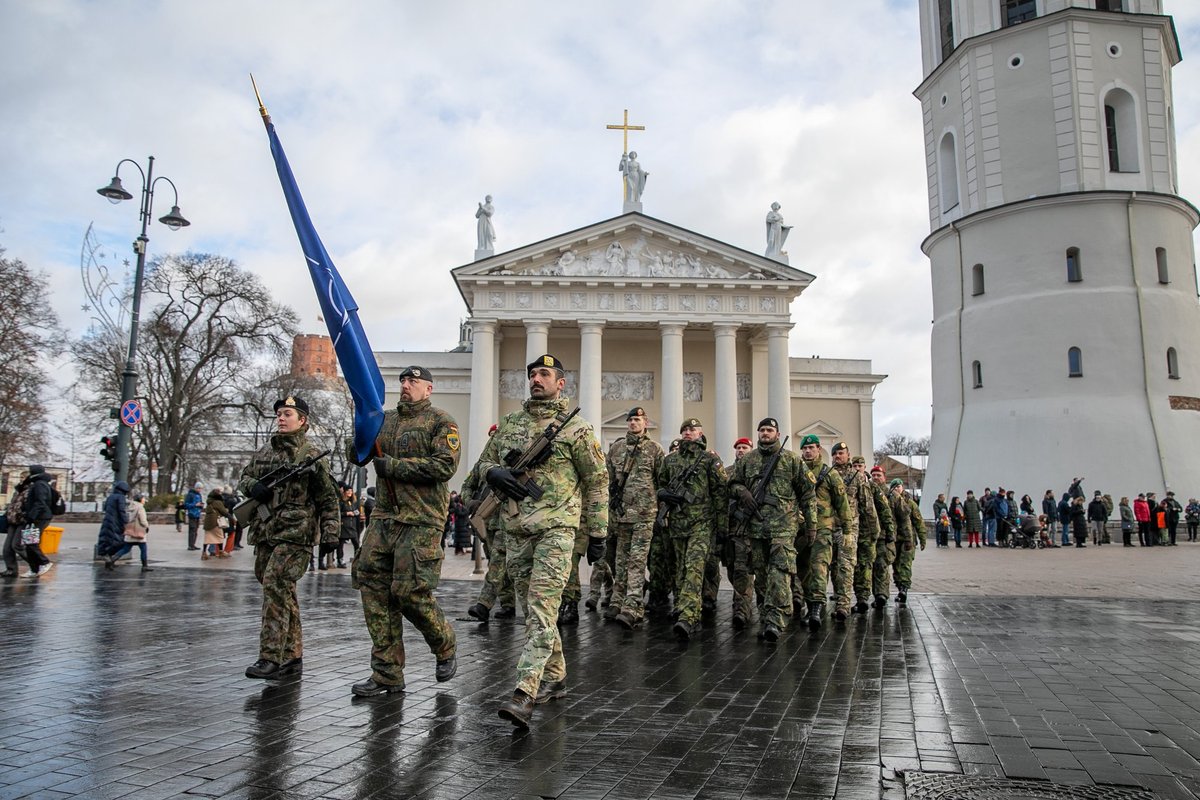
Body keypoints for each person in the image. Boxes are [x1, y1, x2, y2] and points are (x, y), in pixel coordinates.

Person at [482, 354, 607, 729]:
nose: (536, 379)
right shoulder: (511, 423)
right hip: (516, 529)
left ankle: (525, 691)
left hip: (558, 530)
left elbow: (597, 481)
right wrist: (495, 473)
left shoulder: (578, 430)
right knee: (533, 609)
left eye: (545, 374)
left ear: (561, 382)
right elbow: (486, 461)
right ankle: (555, 676)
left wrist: (598, 532)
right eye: (532, 374)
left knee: (541, 608)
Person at [350, 367, 462, 696]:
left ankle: (444, 643)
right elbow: (355, 455)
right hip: (384, 518)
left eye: (413, 382)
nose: (405, 386)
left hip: (422, 519)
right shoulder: (383, 420)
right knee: (372, 587)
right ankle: (386, 672)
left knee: (410, 592)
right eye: (402, 381)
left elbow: (445, 465)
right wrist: (360, 432)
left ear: (429, 388)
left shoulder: (441, 421)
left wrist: (395, 467)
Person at [239, 395, 340, 681]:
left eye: (288, 414)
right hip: (265, 531)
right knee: (279, 589)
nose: (281, 418)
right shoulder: (265, 452)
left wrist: (331, 533)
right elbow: (244, 478)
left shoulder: (311, 456)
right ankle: (292, 653)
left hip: (296, 533)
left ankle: (270, 657)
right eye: (280, 414)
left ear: (302, 420)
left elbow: (328, 499)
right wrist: (254, 487)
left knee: (275, 585)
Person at [729, 419, 814, 639]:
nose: (766, 433)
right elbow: (733, 483)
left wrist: (811, 525)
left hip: (783, 528)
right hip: (755, 529)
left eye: (770, 430)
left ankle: (776, 619)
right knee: (761, 574)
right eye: (762, 430)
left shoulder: (791, 460)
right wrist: (743, 493)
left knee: (779, 573)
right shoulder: (748, 460)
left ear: (778, 434)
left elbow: (807, 493)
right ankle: (767, 616)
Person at [656, 417, 727, 642]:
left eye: (692, 429)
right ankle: (682, 605)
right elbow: (660, 484)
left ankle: (689, 616)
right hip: (678, 523)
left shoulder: (709, 460)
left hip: (701, 524)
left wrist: (722, 528)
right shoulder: (671, 461)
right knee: (679, 569)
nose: (688, 433)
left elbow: (720, 493)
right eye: (685, 429)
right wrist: (663, 494)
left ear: (700, 432)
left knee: (694, 567)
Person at [603, 406, 665, 630]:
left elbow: (661, 482)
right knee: (620, 560)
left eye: (637, 420)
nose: (633, 423)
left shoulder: (655, 450)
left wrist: (658, 511)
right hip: (621, 515)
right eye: (630, 420)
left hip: (644, 515)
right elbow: (609, 481)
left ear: (645, 422)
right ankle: (617, 600)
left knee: (637, 562)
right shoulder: (617, 449)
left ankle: (633, 606)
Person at [796, 435, 854, 631]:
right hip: (801, 530)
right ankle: (809, 600)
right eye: (805, 448)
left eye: (811, 447)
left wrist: (847, 530)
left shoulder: (829, 474)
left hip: (823, 528)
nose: (808, 451)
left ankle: (815, 608)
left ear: (819, 449)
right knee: (803, 568)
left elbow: (842, 504)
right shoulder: (796, 471)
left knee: (819, 567)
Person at [465, 424, 517, 623]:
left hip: (506, 521)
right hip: (486, 522)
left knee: (497, 562)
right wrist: (470, 502)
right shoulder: (482, 467)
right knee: (495, 563)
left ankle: (484, 604)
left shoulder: (511, 467)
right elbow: (467, 486)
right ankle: (507, 604)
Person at [829, 442, 873, 621]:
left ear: (848, 454)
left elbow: (867, 505)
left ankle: (843, 605)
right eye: (835, 453)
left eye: (841, 453)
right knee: (832, 566)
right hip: (830, 527)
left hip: (850, 528)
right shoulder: (827, 475)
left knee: (846, 566)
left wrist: (872, 532)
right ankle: (839, 597)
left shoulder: (857, 477)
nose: (838, 456)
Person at [853, 457, 892, 613]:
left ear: (864, 467)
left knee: (878, 565)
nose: (857, 468)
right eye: (854, 466)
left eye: (860, 466)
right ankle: (862, 598)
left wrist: (889, 531)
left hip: (873, 534)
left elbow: (885, 510)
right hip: (856, 533)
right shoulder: (849, 485)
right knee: (861, 567)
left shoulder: (872, 488)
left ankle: (880, 594)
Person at [889, 480, 926, 605]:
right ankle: (900, 588)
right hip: (895, 540)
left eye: (898, 486)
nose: (896, 489)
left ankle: (904, 589)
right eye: (894, 487)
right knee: (896, 566)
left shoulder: (910, 503)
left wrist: (922, 539)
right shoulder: (890, 502)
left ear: (902, 487)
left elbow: (919, 522)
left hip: (908, 540)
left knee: (905, 565)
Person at [17, 466, 55, 577]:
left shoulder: (40, 484)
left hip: (40, 517)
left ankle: (44, 562)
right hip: (37, 516)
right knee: (28, 542)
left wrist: (32, 516)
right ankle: (34, 569)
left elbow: (40, 502)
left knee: (31, 542)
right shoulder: (38, 483)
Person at [869, 465, 897, 607]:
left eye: (878, 475)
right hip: (870, 535)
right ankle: (875, 593)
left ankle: (881, 594)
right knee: (870, 566)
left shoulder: (891, 494)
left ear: (884, 477)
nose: (875, 478)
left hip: (885, 536)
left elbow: (902, 516)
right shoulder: (868, 492)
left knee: (881, 565)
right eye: (873, 475)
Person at [105, 490, 152, 571]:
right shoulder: (140, 507)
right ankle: (144, 566)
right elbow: (143, 520)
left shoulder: (130, 507)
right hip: (138, 532)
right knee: (143, 548)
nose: (144, 500)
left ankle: (112, 560)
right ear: (140, 499)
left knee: (126, 548)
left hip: (130, 532)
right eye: (143, 498)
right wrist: (147, 526)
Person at [96, 481, 130, 564]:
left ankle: (107, 557)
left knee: (107, 539)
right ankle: (110, 558)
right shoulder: (121, 497)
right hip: (116, 522)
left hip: (107, 521)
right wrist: (126, 521)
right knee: (118, 541)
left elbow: (105, 508)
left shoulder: (110, 497)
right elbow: (121, 510)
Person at [202, 487, 230, 560]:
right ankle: (221, 552)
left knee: (207, 538)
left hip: (208, 523)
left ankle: (204, 553)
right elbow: (224, 512)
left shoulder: (209, 502)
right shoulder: (217, 502)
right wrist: (231, 517)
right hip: (215, 522)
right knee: (220, 536)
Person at [338, 484, 362, 567]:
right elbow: (338, 513)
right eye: (348, 491)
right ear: (344, 492)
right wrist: (346, 513)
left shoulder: (353, 502)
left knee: (356, 543)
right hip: (344, 525)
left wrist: (356, 513)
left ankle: (357, 559)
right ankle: (340, 560)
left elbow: (356, 511)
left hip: (352, 526)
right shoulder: (341, 502)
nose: (350, 492)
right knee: (340, 544)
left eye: (351, 491)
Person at [184, 482, 205, 551]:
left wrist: (201, 506)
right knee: (192, 530)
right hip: (192, 513)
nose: (199, 490)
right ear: (195, 488)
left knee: (196, 530)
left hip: (197, 514)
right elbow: (186, 505)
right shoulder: (190, 495)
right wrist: (195, 505)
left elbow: (199, 504)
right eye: (198, 488)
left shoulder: (199, 495)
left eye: (200, 488)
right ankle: (190, 545)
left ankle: (193, 544)